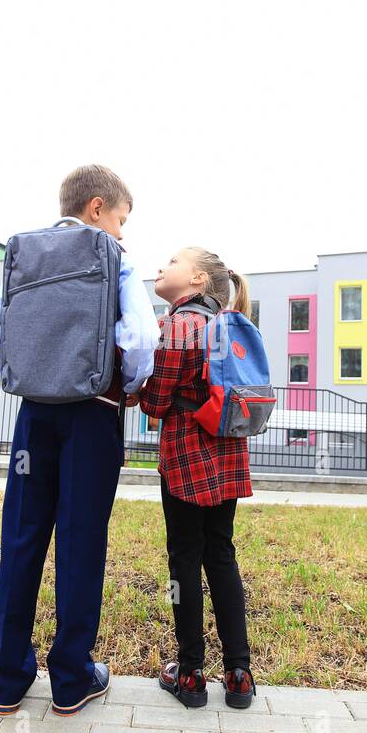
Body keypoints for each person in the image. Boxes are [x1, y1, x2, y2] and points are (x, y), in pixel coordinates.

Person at [0, 164, 161, 716]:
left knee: (22, 537)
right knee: (80, 542)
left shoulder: (24, 253)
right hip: (92, 414)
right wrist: (125, 384)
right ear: (97, 208)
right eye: (122, 220)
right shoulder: (111, 256)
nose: (124, 233)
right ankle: (72, 676)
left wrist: (25, 375)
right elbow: (142, 335)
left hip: (34, 417)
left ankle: (7, 677)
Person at [137, 246, 256, 709]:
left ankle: (189, 674)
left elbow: (154, 401)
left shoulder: (178, 325)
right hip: (227, 451)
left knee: (183, 561)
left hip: (186, 457)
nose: (161, 267)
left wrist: (150, 401)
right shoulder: (227, 325)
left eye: (172, 261)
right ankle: (239, 673)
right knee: (222, 555)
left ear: (197, 281)